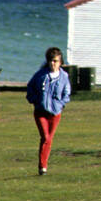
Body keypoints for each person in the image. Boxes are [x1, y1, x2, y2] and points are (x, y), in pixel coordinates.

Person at [26, 47, 71, 175]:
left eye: (56, 61)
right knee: (45, 136)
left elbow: (67, 93)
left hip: (55, 113)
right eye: (51, 60)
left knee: (48, 139)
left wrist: (61, 104)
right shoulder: (40, 75)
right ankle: (42, 165)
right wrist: (34, 100)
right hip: (40, 111)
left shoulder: (64, 77)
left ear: (60, 62)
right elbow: (30, 88)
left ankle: (42, 167)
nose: (53, 63)